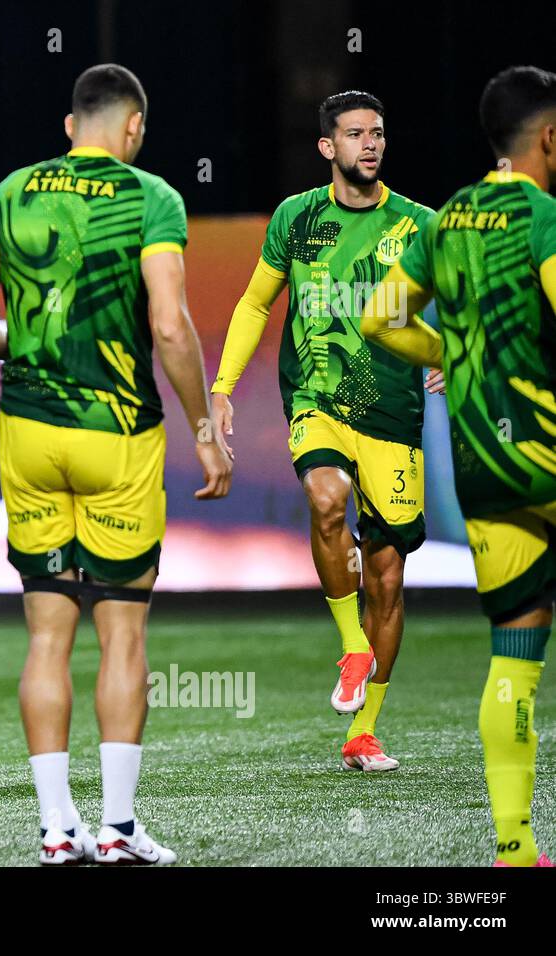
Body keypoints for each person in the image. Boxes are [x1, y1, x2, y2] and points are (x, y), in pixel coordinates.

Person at [0, 63, 232, 865]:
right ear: (132, 128)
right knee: (124, 634)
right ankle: (117, 827)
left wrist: (21, 344)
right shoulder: (152, 197)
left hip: (28, 434)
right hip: (116, 435)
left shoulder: (9, 192)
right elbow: (170, 329)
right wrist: (205, 426)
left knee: (46, 636)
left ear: (72, 126)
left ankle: (54, 828)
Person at [360, 65, 556, 867]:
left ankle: (514, 849)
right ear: (549, 138)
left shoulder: (446, 222)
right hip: (546, 449)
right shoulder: (541, 215)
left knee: (514, 651)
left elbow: (380, 317)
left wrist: (454, 352)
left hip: (480, 464)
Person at [210, 91, 440, 771]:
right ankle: (351, 645)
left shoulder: (420, 225)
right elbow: (256, 301)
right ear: (326, 148)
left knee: (389, 579)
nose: (369, 144)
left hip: (394, 417)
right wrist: (222, 388)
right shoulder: (297, 217)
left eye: (377, 133)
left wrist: (445, 351)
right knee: (325, 496)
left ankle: (364, 730)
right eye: (354, 135)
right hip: (318, 401)